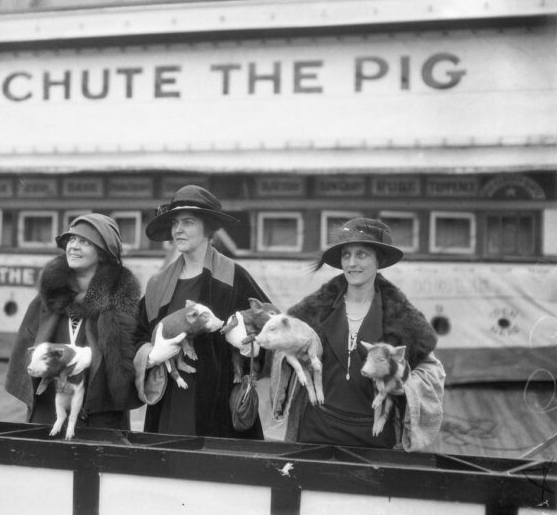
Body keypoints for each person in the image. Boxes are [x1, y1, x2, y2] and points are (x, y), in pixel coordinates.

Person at [271, 217, 445, 451]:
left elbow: (432, 372)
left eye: (361, 254)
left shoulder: (403, 320)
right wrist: (289, 355)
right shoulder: (313, 311)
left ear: (379, 260)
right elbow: (279, 348)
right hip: (315, 431)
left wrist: (405, 384)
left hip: (375, 436)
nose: (352, 263)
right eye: (346, 255)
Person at [133, 185, 272, 439]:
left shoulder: (233, 275)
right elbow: (136, 337)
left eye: (188, 222)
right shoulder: (157, 284)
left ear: (208, 228)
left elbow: (271, 323)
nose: (178, 229)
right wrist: (151, 356)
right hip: (170, 401)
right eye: (175, 223)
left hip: (218, 405)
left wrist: (250, 346)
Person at [5, 213, 141, 430]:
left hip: (100, 418)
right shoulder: (44, 301)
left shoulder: (122, 305)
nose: (74, 246)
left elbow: (132, 362)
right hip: (50, 413)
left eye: (85, 242)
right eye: (72, 240)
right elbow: (24, 353)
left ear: (104, 254)